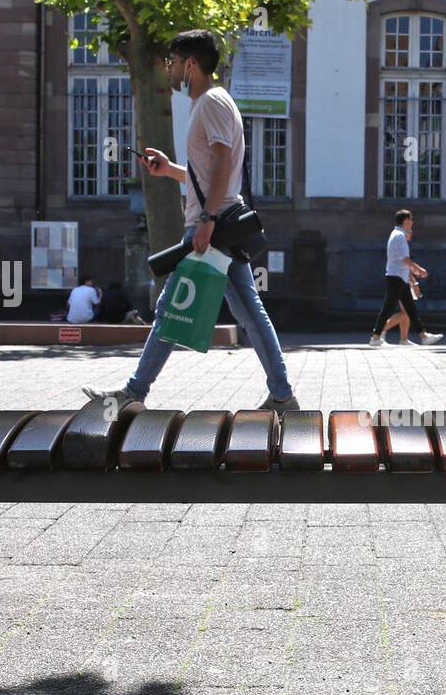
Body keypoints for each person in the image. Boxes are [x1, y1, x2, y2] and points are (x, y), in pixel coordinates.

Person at [82, 29, 298, 413]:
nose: (169, 69)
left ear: (191, 65)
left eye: (173, 62)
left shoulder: (211, 102)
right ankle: (281, 394)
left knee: (176, 308)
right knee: (241, 311)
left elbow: (223, 161)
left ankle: (135, 392)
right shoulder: (214, 101)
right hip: (215, 223)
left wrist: (209, 220)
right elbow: (208, 170)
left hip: (211, 227)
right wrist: (170, 171)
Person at [369, 210, 443, 347]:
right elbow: (405, 259)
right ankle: (375, 337)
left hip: (399, 278)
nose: (412, 223)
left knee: (410, 309)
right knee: (388, 308)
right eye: (411, 220)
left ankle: (423, 336)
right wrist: (419, 270)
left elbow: (403, 260)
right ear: (406, 221)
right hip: (396, 277)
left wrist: (413, 278)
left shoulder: (397, 235)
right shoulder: (399, 236)